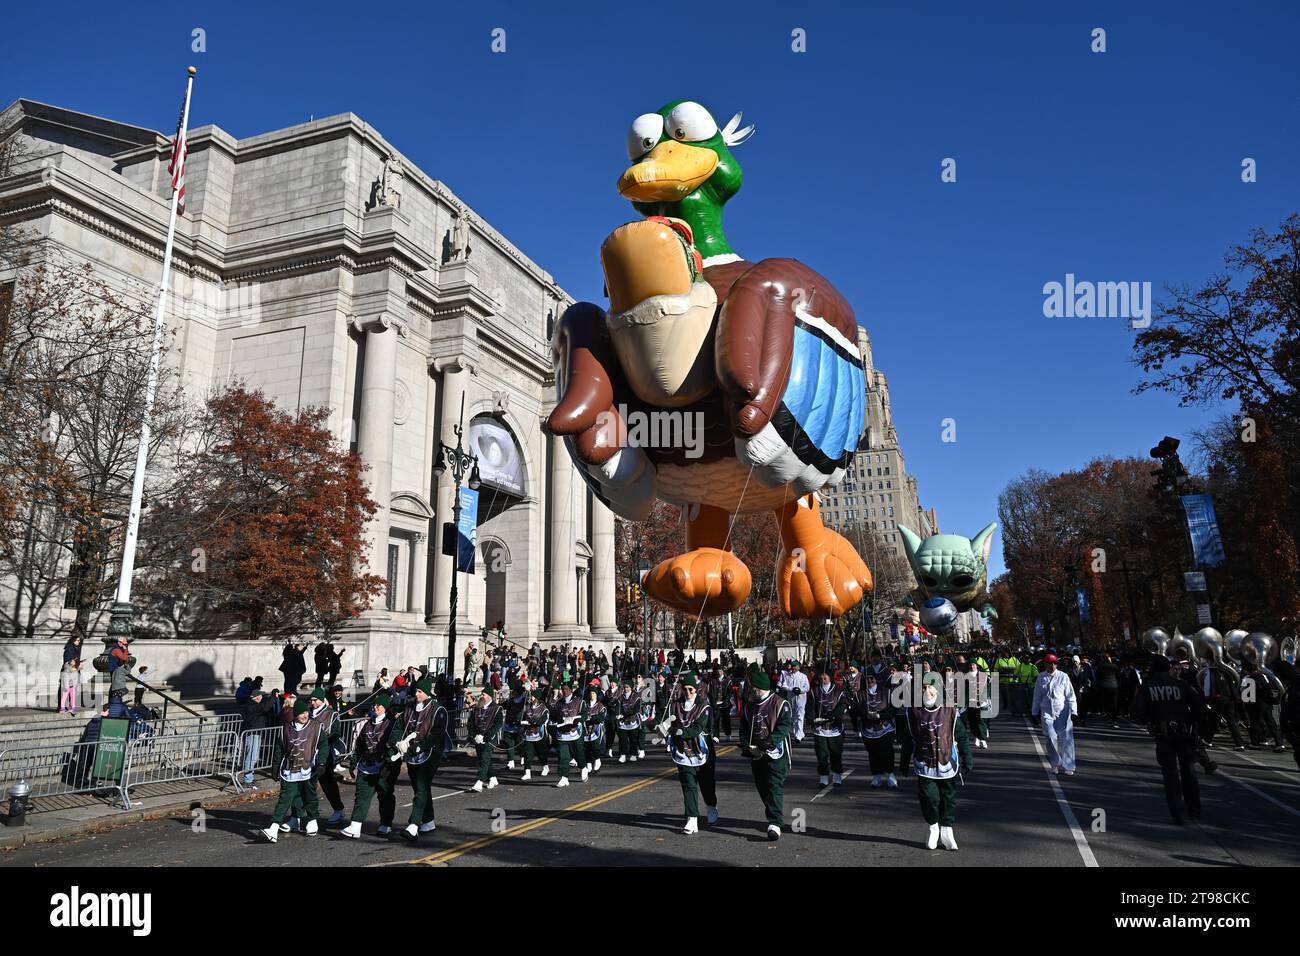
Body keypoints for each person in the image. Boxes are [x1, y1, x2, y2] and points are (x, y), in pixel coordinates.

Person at [1131, 655, 1207, 824]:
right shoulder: (1181, 684)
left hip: (1164, 735)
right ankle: (1194, 810)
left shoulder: (1148, 686)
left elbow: (1137, 712)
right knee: (1189, 772)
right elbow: (1200, 707)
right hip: (1184, 733)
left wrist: (1151, 720)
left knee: (1171, 776)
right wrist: (1190, 722)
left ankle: (1178, 814)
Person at [899, 678, 972, 850]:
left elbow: (960, 736)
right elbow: (908, 739)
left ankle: (947, 830)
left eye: (931, 688)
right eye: (924, 688)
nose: (927, 692)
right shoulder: (913, 712)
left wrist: (967, 758)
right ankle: (933, 828)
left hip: (947, 763)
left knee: (948, 797)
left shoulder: (950, 710)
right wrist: (903, 762)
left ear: (938, 691)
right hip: (925, 763)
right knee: (929, 797)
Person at [259, 697, 328, 843]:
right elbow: (279, 749)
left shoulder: (316, 727)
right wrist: (275, 767)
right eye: (301, 713)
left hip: (308, 769)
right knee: (285, 799)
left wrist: (321, 763)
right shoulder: (286, 728)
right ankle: (274, 827)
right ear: (295, 714)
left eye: (306, 712)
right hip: (290, 770)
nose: (305, 715)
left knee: (309, 796)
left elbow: (323, 745)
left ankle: (312, 820)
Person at [392, 677, 449, 841]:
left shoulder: (438, 710)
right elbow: (399, 727)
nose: (416, 694)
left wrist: (420, 746)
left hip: (430, 754)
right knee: (420, 788)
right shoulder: (409, 708)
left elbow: (437, 735)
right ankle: (429, 821)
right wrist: (398, 742)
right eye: (416, 691)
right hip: (411, 754)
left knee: (422, 787)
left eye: (420, 691)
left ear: (426, 693)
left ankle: (413, 825)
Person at [740, 664, 792, 841]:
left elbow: (785, 726)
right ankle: (773, 812)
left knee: (774, 784)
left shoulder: (780, 703)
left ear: (758, 688)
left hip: (775, 752)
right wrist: (747, 745)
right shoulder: (749, 706)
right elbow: (744, 728)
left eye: (751, 687)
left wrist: (770, 740)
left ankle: (775, 822)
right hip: (757, 754)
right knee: (762, 785)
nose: (749, 690)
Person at [341, 692, 400, 839]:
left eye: (378, 705)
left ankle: (386, 824)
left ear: (385, 708)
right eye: (374, 705)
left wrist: (389, 759)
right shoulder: (368, 724)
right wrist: (353, 762)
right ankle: (355, 826)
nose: (375, 707)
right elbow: (360, 744)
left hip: (385, 766)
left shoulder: (392, 724)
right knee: (362, 795)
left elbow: (394, 743)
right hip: (366, 765)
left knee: (384, 795)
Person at [666, 672, 718, 834]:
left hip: (702, 749)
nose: (688, 693)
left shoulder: (704, 706)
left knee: (706, 783)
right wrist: (664, 729)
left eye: (691, 690)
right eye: (685, 689)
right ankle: (692, 819)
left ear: (696, 690)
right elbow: (669, 722)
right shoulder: (675, 705)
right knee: (688, 783)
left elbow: (698, 727)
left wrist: (680, 732)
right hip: (683, 751)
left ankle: (711, 806)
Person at [1032, 654, 1078, 774]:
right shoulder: (1041, 677)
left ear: (1057, 664)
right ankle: (1056, 763)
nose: (1052, 665)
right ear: (1045, 664)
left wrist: (1074, 711)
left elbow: (1070, 695)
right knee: (1050, 737)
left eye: (1054, 663)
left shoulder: (1063, 676)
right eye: (1049, 663)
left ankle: (1068, 765)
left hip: (1063, 712)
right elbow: (1037, 696)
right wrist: (1034, 712)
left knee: (1066, 739)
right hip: (1047, 712)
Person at [854, 668, 897, 788]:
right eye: (867, 679)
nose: (870, 681)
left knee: (886, 751)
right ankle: (876, 776)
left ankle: (890, 774)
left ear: (876, 679)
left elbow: (894, 708)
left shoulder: (886, 692)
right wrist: (865, 715)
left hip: (885, 727)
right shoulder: (860, 694)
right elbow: (856, 710)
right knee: (873, 753)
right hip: (869, 728)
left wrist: (881, 716)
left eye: (872, 678)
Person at [811, 667, 848, 786]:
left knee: (835, 752)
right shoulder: (815, 690)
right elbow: (810, 707)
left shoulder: (839, 690)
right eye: (821, 675)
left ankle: (837, 774)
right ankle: (823, 776)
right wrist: (811, 719)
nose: (823, 677)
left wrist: (832, 716)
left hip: (834, 728)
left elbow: (842, 706)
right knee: (821, 753)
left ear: (830, 676)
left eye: (825, 675)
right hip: (820, 728)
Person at [550, 679, 588, 787]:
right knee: (563, 756)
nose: (564, 691)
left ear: (571, 690)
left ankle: (583, 767)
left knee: (578, 752)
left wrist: (575, 720)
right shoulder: (559, 703)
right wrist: (559, 720)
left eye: (566, 689)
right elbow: (554, 716)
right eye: (563, 689)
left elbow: (584, 715)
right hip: (563, 733)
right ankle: (564, 777)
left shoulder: (579, 702)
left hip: (575, 732)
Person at [467, 688, 504, 792]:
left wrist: (487, 735)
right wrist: (472, 735)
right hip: (478, 738)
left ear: (489, 696)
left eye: (483, 694)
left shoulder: (497, 708)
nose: (481, 696)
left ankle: (479, 781)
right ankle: (493, 778)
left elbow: (498, 724)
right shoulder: (477, 708)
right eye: (481, 694)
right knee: (484, 760)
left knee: (484, 758)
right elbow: (471, 723)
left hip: (489, 739)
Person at [239, 686, 275, 786]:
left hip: (255, 733)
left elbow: (264, 706)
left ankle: (249, 777)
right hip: (252, 733)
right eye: (261, 696)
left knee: (253, 756)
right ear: (257, 697)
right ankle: (247, 779)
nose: (262, 698)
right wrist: (273, 697)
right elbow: (265, 707)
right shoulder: (252, 706)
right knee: (251, 757)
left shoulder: (251, 704)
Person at [518, 687, 551, 780]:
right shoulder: (528, 707)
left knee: (541, 753)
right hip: (528, 734)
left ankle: (545, 766)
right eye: (530, 696)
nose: (530, 698)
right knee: (527, 754)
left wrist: (533, 721)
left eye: (532, 696)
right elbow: (523, 717)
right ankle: (527, 772)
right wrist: (520, 721)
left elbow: (542, 720)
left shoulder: (544, 709)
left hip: (539, 735)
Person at [963, 661, 991, 749]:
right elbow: (965, 691)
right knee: (973, 722)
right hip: (971, 702)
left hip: (982, 702)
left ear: (977, 666)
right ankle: (977, 737)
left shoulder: (984, 676)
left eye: (974, 664)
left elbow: (987, 689)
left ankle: (982, 739)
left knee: (981, 721)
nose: (972, 666)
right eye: (971, 665)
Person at [780, 662, 810, 741]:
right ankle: (797, 732)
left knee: (800, 715)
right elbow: (783, 685)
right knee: (793, 717)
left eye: (795, 666)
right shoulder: (788, 676)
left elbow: (807, 687)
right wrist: (791, 689)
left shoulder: (803, 676)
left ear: (798, 667)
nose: (793, 668)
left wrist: (800, 690)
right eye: (792, 666)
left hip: (801, 698)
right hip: (791, 698)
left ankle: (799, 735)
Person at [616, 679, 642, 762]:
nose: (626, 689)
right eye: (625, 687)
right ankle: (623, 754)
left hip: (632, 720)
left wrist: (624, 714)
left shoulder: (636, 697)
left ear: (631, 687)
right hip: (623, 722)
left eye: (627, 687)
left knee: (633, 739)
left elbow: (636, 709)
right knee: (622, 739)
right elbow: (618, 707)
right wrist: (618, 714)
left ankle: (633, 754)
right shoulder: (620, 697)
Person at [583, 682, 606, 774]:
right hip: (586, 729)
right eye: (591, 693)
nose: (592, 695)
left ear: (596, 695)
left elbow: (600, 718)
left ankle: (597, 760)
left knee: (595, 746)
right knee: (586, 747)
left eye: (594, 693)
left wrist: (591, 719)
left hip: (596, 729)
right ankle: (588, 763)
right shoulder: (585, 705)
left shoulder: (600, 706)